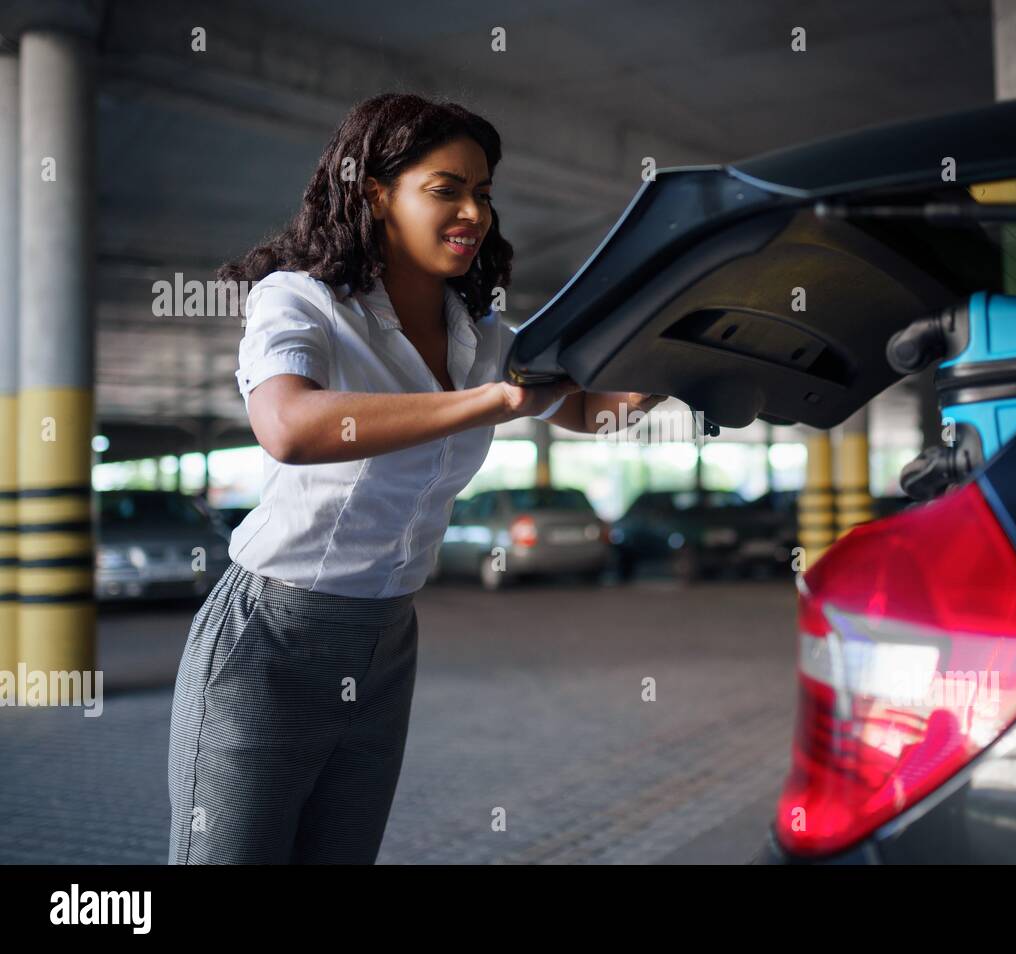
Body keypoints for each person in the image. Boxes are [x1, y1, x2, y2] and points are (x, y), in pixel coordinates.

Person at [167, 93, 664, 864]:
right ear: (373, 192)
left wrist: (696, 354)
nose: (474, 211)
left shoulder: (482, 335)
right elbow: (289, 428)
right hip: (269, 639)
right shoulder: (300, 300)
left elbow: (594, 411)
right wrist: (488, 401)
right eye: (448, 189)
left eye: (484, 193)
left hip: (386, 642)